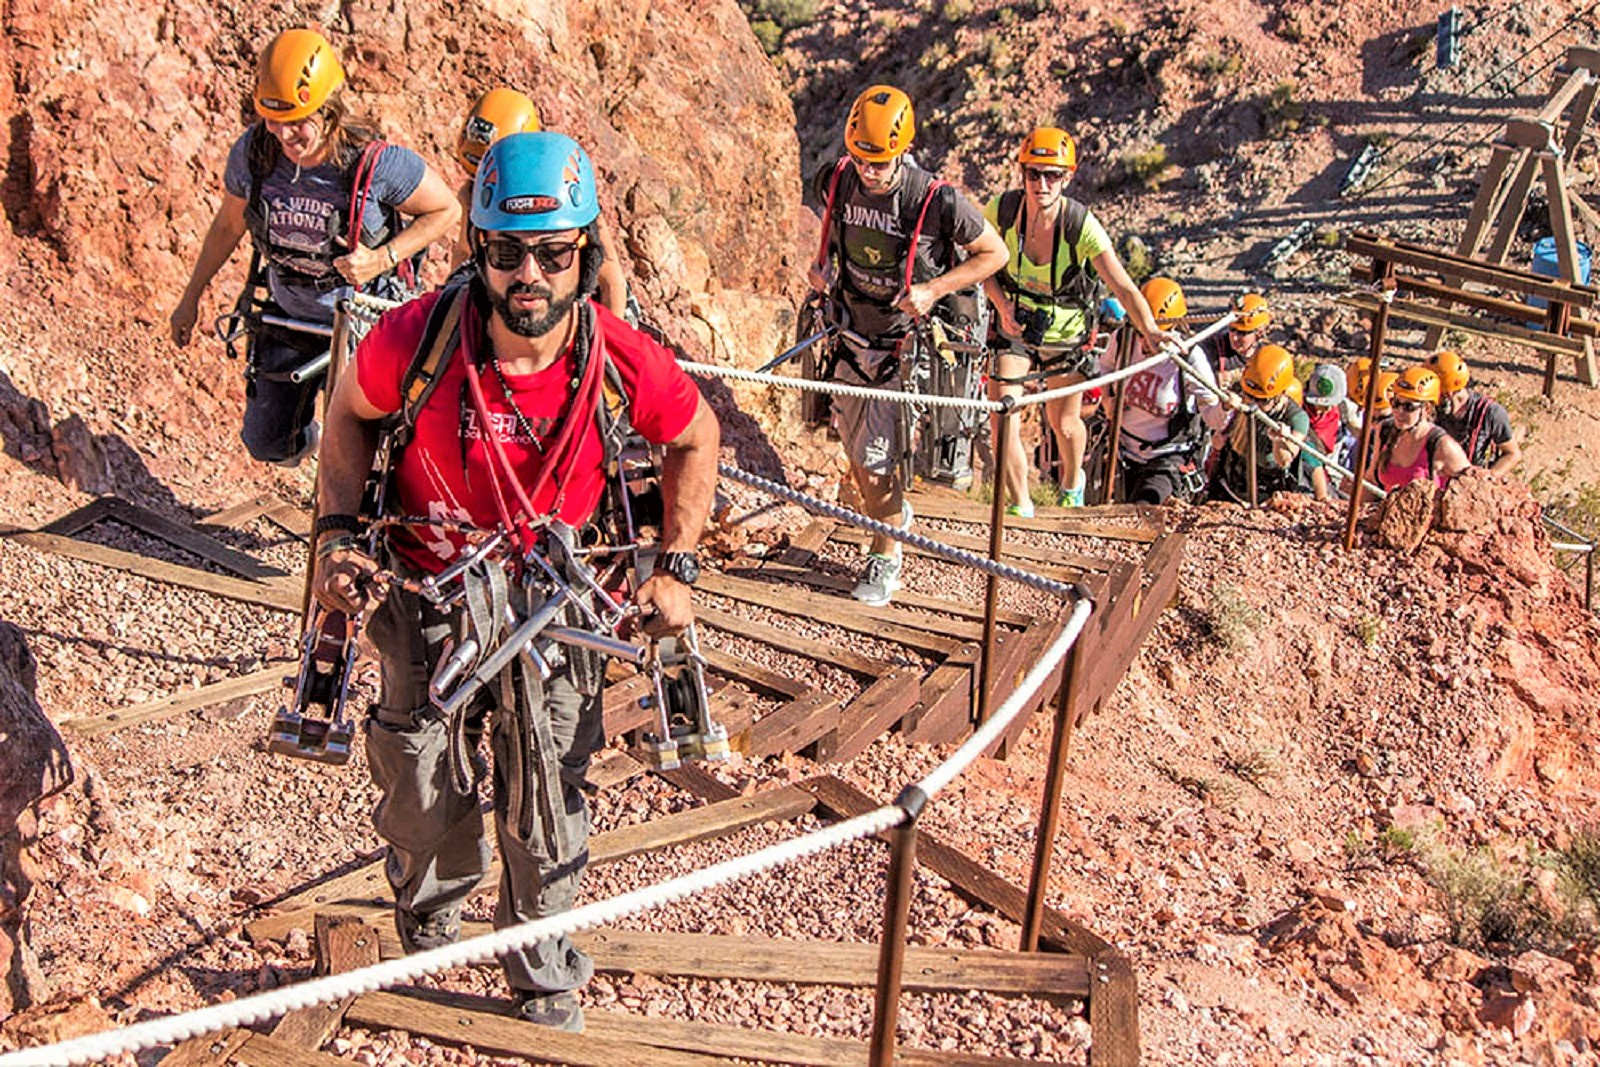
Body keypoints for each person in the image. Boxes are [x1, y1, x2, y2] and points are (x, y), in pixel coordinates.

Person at [310, 132, 719, 1032]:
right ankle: (432, 896)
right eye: (504, 251)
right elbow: (347, 413)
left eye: (553, 253)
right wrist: (339, 534)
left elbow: (697, 436)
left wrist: (676, 566)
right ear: (477, 252)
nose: (527, 273)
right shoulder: (417, 342)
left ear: (586, 255)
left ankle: (543, 966)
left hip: (556, 601)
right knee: (416, 783)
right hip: (426, 589)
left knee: (548, 785)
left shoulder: (615, 357)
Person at [170, 28, 459, 465]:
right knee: (267, 444)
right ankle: (308, 441)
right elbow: (228, 225)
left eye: (297, 122)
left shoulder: (375, 164)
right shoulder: (255, 155)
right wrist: (190, 297)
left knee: (359, 456)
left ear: (329, 111)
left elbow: (446, 210)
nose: (285, 135)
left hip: (361, 323)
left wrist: (381, 258)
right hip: (288, 315)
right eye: (273, 121)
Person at [807, 85, 1007, 606]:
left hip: (908, 347)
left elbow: (994, 253)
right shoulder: (837, 181)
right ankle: (891, 519)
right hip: (851, 336)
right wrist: (822, 263)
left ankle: (885, 556)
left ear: (903, 149)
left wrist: (934, 289)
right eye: (862, 159)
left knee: (875, 461)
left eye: (880, 163)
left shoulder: (935, 201)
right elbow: (835, 229)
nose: (869, 171)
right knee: (856, 455)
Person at [982, 127, 1173, 514]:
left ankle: (1072, 484)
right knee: (1003, 416)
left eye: (1052, 175)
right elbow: (980, 262)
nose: (1042, 184)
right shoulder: (1001, 211)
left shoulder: (1081, 226)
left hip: (1067, 336)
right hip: (1015, 325)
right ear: (1022, 174)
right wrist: (1002, 305)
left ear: (1067, 178)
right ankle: (1021, 506)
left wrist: (1150, 329)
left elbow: (1123, 286)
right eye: (1034, 173)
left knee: (1064, 422)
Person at [449, 87, 630, 318]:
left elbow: (611, 279)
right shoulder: (471, 194)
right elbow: (464, 256)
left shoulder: (563, 192)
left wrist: (608, 339)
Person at [1095, 277, 1227, 505]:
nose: (1144, 342)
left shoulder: (1187, 357)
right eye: (1140, 332)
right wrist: (1108, 398)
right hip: (1122, 449)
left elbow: (1212, 413)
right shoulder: (1123, 339)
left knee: (1142, 510)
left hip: (1167, 457)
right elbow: (1105, 366)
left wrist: (1225, 408)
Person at [1209, 343, 1310, 503]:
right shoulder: (1242, 391)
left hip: (1264, 497)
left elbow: (1284, 460)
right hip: (1227, 485)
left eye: (1262, 400)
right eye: (1249, 396)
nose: (1253, 403)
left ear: (1281, 393)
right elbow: (1217, 419)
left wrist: (1279, 441)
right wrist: (1225, 410)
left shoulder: (1296, 418)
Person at [1366, 366, 1469, 491]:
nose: (1399, 411)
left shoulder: (1442, 446)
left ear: (1426, 409)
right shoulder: (1384, 431)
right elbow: (1371, 480)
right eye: (1395, 403)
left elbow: (1471, 489)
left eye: (1408, 406)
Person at [1426, 350, 1520, 473]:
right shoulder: (1428, 409)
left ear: (1449, 393)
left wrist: (1487, 478)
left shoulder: (1490, 413)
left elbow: (1512, 454)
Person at [1300, 364, 1356, 501]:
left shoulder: (1343, 409)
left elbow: (1357, 429)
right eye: (1322, 405)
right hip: (1305, 480)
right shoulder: (1298, 412)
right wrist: (1323, 496)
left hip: (1331, 479)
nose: (1326, 409)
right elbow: (1310, 457)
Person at [1202, 292, 1270, 386]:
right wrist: (1212, 378)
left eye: (1242, 333)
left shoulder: (1267, 357)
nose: (1234, 337)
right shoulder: (1213, 348)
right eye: (1232, 330)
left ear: (1259, 333)